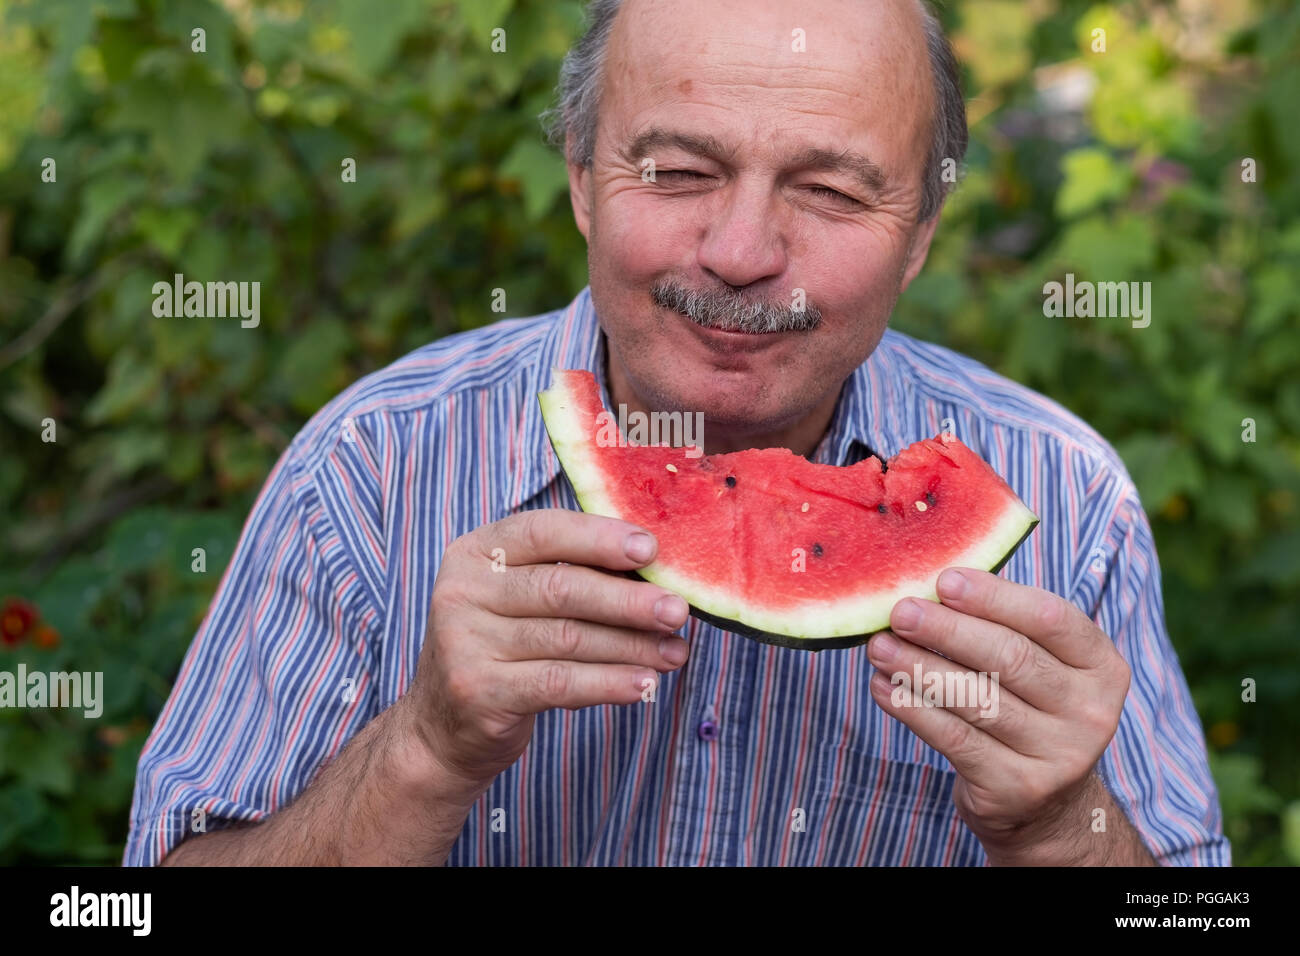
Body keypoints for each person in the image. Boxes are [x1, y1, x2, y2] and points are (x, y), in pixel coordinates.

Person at [125, 0, 1228, 866]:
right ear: (581, 184)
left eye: (832, 191)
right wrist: (422, 750)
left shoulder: (1068, 503)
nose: (741, 249)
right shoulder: (371, 466)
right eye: (680, 172)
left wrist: (1057, 829)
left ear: (921, 234)